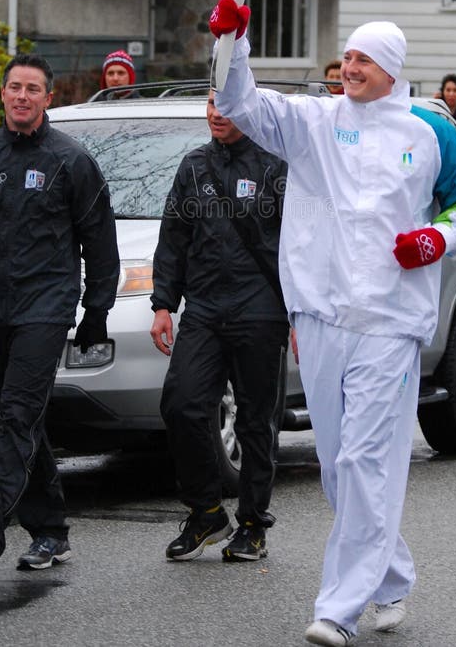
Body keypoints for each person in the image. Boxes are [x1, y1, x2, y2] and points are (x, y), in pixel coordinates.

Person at [209, 0, 456, 646]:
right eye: (348, 57)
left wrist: (436, 239)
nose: (350, 68)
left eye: (364, 60)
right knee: (337, 466)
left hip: (391, 319)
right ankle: (392, 577)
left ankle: (338, 607)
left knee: (363, 459)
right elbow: (242, 103)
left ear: (391, 69)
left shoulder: (429, 131)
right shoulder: (315, 121)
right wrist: (233, 45)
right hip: (321, 312)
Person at [0, 54, 120, 580]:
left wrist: (97, 311)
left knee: (17, 415)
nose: (22, 96)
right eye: (14, 87)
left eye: (32, 89)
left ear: (48, 98)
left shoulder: (71, 161)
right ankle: (51, 529)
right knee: (20, 417)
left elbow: (99, 241)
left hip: (46, 308)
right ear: (3, 94)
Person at [150, 90, 289, 563]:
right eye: (210, 104)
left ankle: (252, 523)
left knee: (255, 421)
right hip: (205, 309)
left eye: (225, 105)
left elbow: (299, 244)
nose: (215, 113)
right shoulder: (193, 166)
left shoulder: (275, 165)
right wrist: (163, 304)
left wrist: (300, 312)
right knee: (181, 404)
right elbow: (174, 236)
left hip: (260, 310)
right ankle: (206, 511)